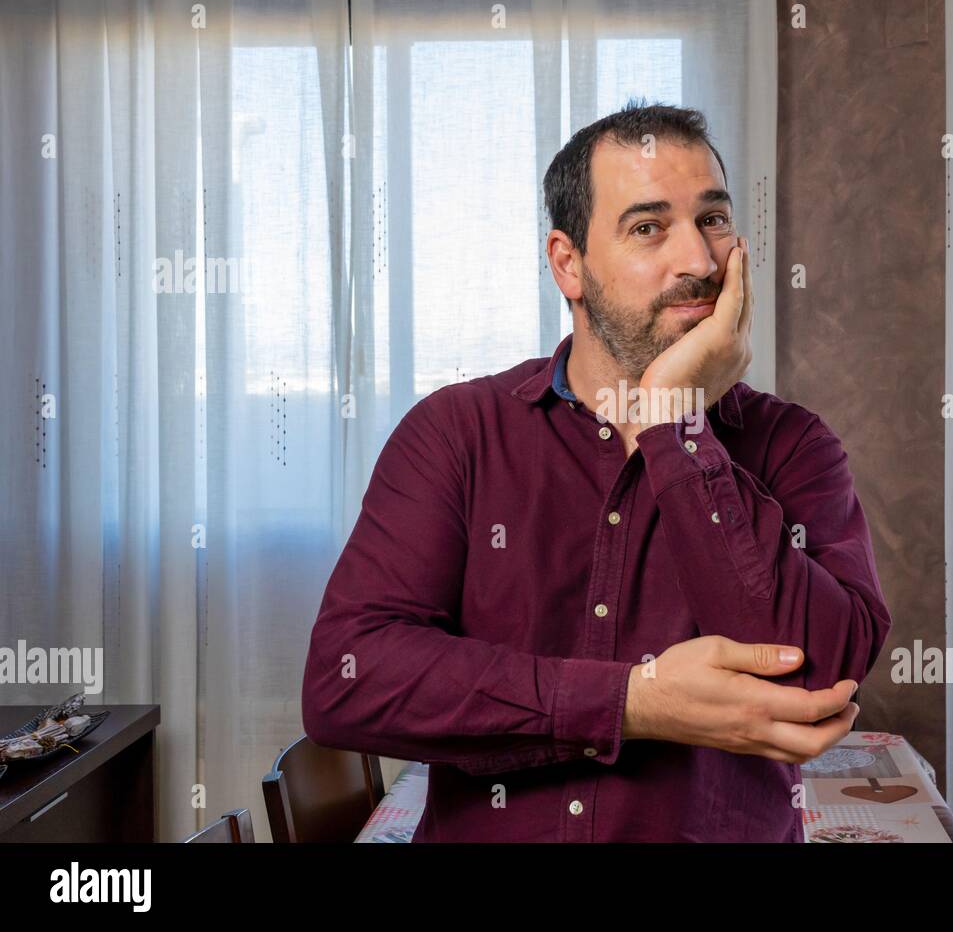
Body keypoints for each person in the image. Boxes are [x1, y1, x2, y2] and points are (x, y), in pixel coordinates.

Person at [301, 100, 892, 842]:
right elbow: (347, 679)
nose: (700, 264)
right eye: (649, 228)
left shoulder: (793, 445)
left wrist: (677, 424)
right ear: (568, 263)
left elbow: (816, 682)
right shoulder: (456, 434)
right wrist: (631, 703)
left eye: (713, 220)